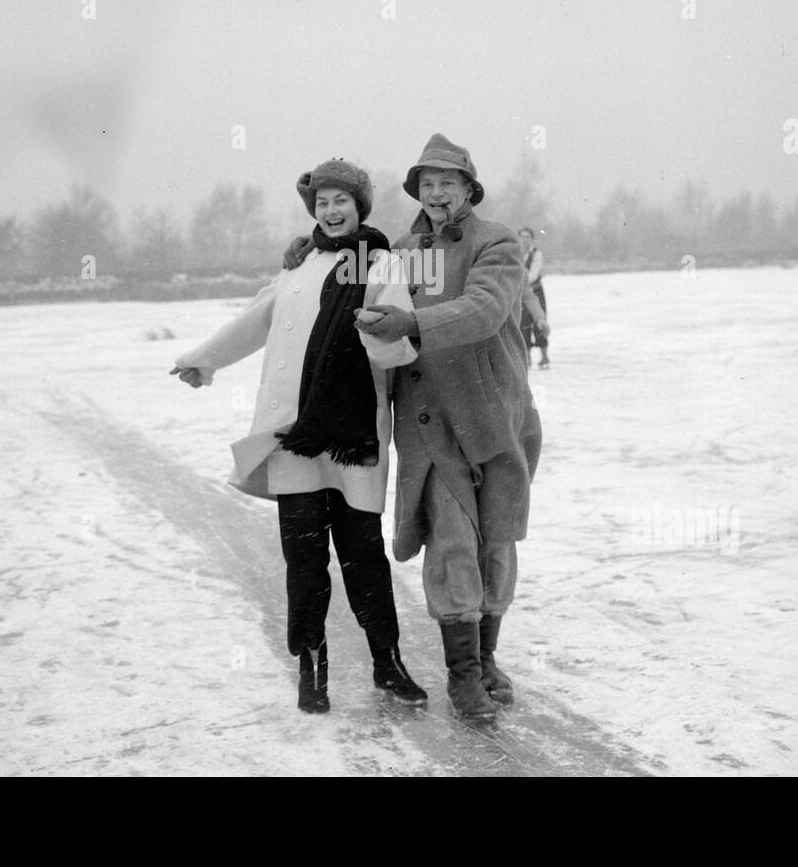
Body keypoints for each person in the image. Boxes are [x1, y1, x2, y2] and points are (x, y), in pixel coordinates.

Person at [170, 159, 427, 714]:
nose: (332, 211)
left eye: (342, 200)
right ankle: (312, 667)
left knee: (363, 558)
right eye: (323, 203)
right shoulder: (298, 266)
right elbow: (255, 320)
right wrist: (203, 360)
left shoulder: (381, 262)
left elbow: (398, 340)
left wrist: (381, 335)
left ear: (360, 205)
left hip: (352, 441)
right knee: (304, 561)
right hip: (293, 435)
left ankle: (387, 662)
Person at [356, 135, 542, 721]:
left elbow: (486, 310)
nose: (436, 193)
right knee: (453, 543)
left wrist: (411, 322)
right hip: (428, 420)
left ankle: (487, 659)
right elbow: (348, 279)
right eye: (426, 184)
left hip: (495, 416)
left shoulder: (498, 242)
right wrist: (304, 256)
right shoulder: (404, 251)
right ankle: (463, 676)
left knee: (496, 539)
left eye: (447, 183)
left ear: (468, 189)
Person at [517, 227, 551, 368]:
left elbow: (533, 275)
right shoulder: (515, 254)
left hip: (535, 291)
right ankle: (527, 357)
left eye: (527, 237)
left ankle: (544, 356)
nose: (525, 239)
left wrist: (521, 279)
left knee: (540, 323)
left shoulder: (536, 254)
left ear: (532, 239)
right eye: (522, 236)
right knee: (523, 324)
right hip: (521, 291)